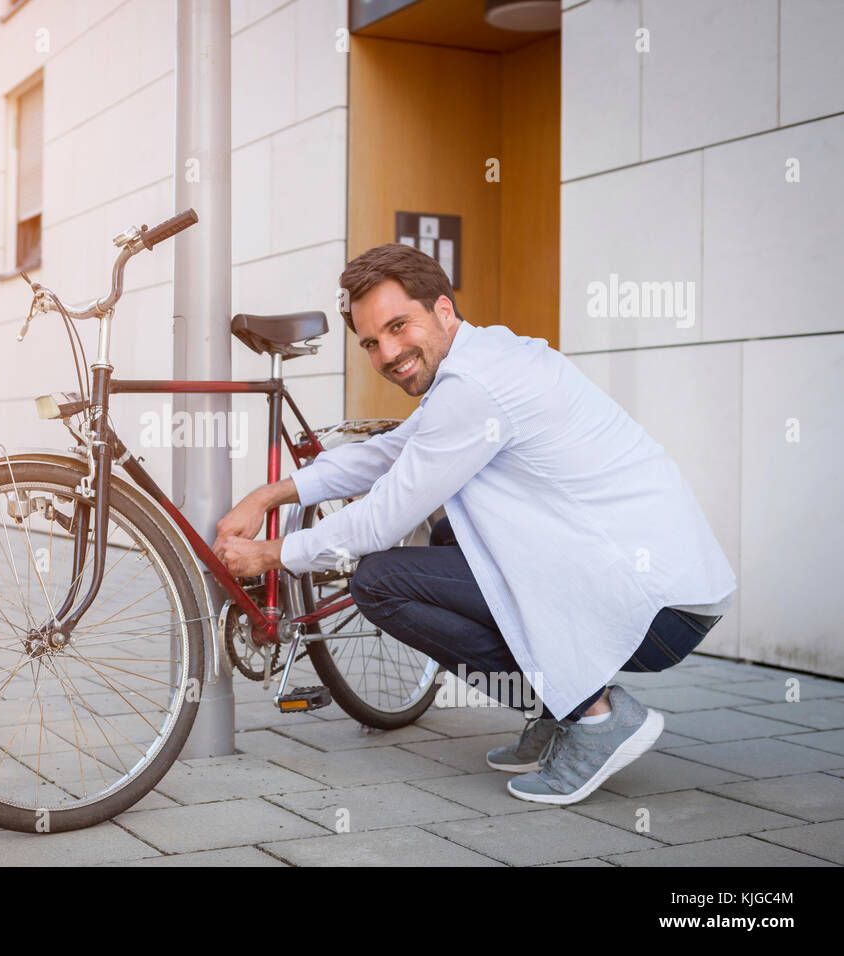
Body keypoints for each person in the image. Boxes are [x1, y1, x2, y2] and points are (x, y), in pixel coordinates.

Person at [211, 243, 736, 805]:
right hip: (663, 584)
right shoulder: (486, 356)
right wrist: (270, 494)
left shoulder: (473, 389)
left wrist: (267, 555)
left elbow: (379, 522)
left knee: (378, 582)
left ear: (442, 309)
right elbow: (391, 450)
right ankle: (565, 704)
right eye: (370, 342)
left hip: (651, 606)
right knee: (445, 538)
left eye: (397, 326)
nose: (387, 352)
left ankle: (594, 717)